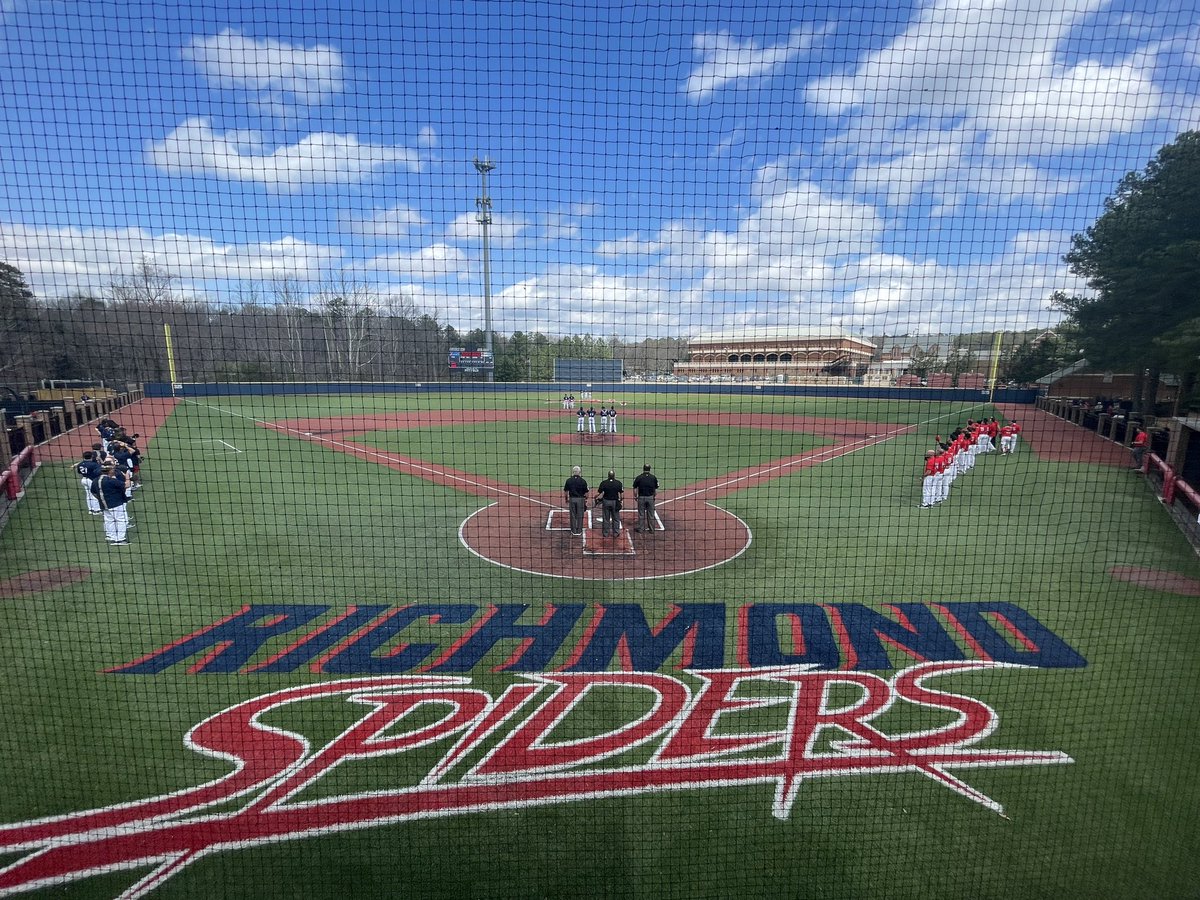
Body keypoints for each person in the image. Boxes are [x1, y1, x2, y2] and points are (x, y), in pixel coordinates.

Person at [92, 461, 131, 545]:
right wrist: (127, 476)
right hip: (116, 503)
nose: (114, 470)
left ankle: (111, 537)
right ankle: (120, 539)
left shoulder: (95, 480)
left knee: (109, 520)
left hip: (104, 504)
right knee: (121, 520)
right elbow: (127, 485)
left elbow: (93, 492)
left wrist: (101, 499)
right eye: (112, 469)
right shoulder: (111, 481)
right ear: (109, 471)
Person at [595, 470, 624, 537]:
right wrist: (620, 501)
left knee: (606, 518)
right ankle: (616, 533)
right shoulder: (618, 483)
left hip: (606, 502)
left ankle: (605, 533)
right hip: (615, 502)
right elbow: (621, 495)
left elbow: (598, 493)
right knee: (616, 518)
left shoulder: (604, 483)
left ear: (608, 476)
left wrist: (595, 498)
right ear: (614, 476)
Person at [632, 464, 659, 532]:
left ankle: (641, 529)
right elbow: (656, 489)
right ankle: (651, 529)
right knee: (651, 514)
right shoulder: (653, 477)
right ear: (650, 469)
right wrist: (653, 497)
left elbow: (635, 488)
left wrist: (635, 496)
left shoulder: (639, 477)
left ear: (643, 468)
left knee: (641, 514)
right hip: (650, 497)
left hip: (641, 498)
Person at [563, 465, 589, 535]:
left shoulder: (569, 480)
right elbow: (587, 493)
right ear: (580, 472)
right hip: (580, 500)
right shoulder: (583, 481)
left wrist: (566, 499)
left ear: (573, 472)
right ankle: (579, 530)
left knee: (573, 515)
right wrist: (585, 500)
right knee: (580, 515)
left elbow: (566, 492)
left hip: (572, 499)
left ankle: (573, 531)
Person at [76, 450, 102, 515]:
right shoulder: (93, 464)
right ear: (91, 456)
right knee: (95, 494)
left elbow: (79, 473)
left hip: (84, 480)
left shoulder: (80, 464)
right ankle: (97, 510)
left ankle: (91, 509)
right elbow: (99, 472)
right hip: (91, 480)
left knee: (88, 495)